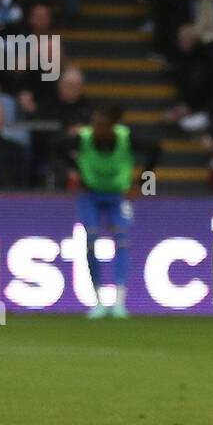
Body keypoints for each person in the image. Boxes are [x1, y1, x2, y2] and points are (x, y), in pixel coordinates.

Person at [61, 104, 160, 318]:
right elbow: (54, 147)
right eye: (96, 125)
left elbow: (155, 149)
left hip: (117, 196)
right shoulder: (83, 138)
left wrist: (143, 182)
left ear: (113, 127)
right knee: (91, 240)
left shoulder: (126, 138)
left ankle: (119, 302)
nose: (99, 130)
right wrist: (76, 170)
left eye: (103, 126)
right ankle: (97, 301)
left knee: (122, 240)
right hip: (90, 195)